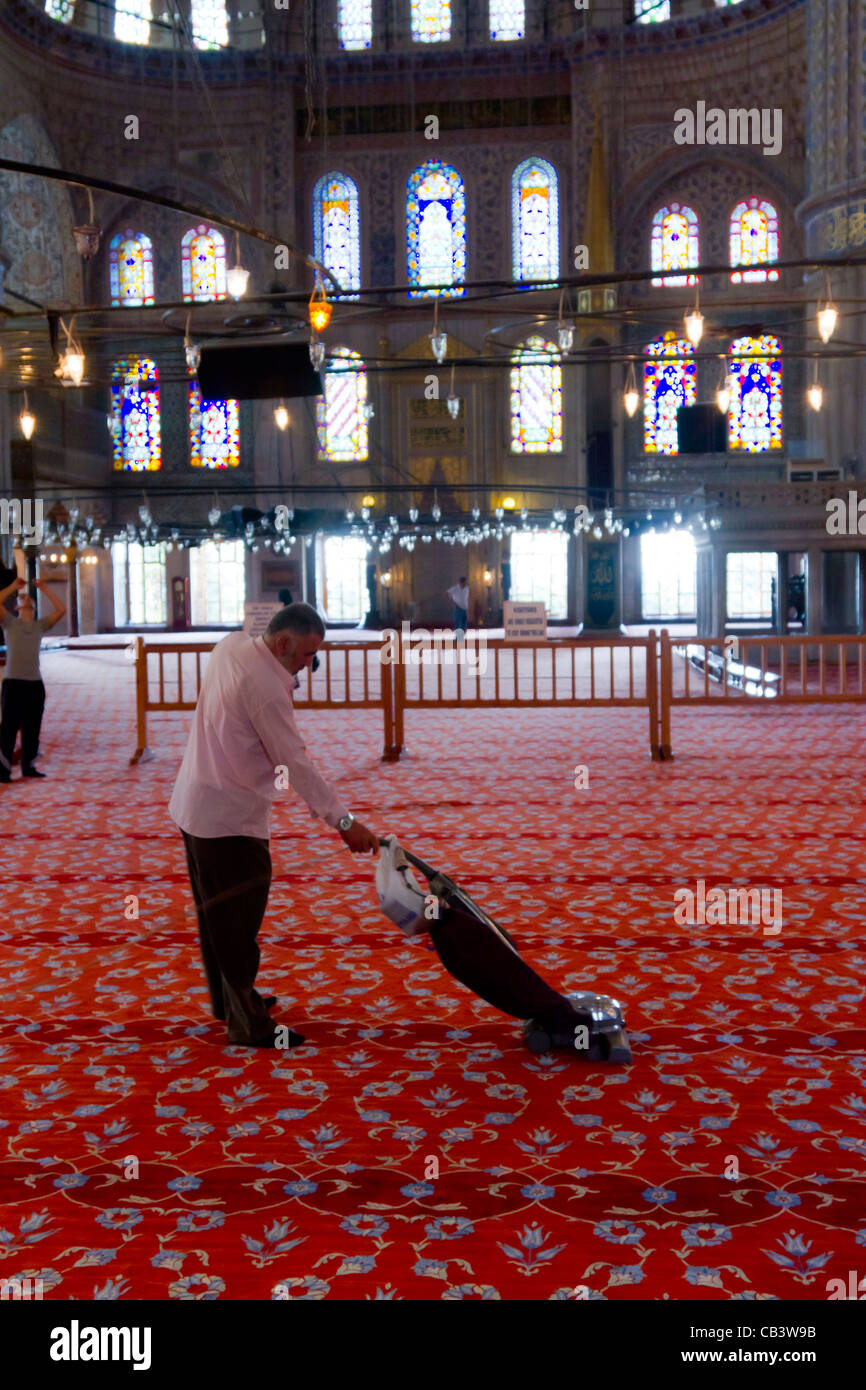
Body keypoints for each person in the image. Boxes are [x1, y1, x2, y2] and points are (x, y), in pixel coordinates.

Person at [168, 601, 380, 1048]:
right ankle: (248, 1024)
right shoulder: (264, 687)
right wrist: (344, 822)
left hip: (196, 804)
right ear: (282, 642)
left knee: (216, 918)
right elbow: (296, 764)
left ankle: (231, 1002)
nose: (310, 665)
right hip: (228, 820)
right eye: (305, 655)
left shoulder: (230, 646)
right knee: (237, 925)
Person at [0, 576, 66, 783]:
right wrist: (12, 586)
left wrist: (45, 588)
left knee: (32, 727)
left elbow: (61, 609)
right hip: (13, 683)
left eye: (29, 599)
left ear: (34, 607)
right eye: (22, 599)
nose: (26, 599)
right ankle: (3, 771)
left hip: (35, 684)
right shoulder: (9, 623)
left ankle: (28, 766)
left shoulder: (40, 625)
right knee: (9, 727)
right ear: (17, 608)